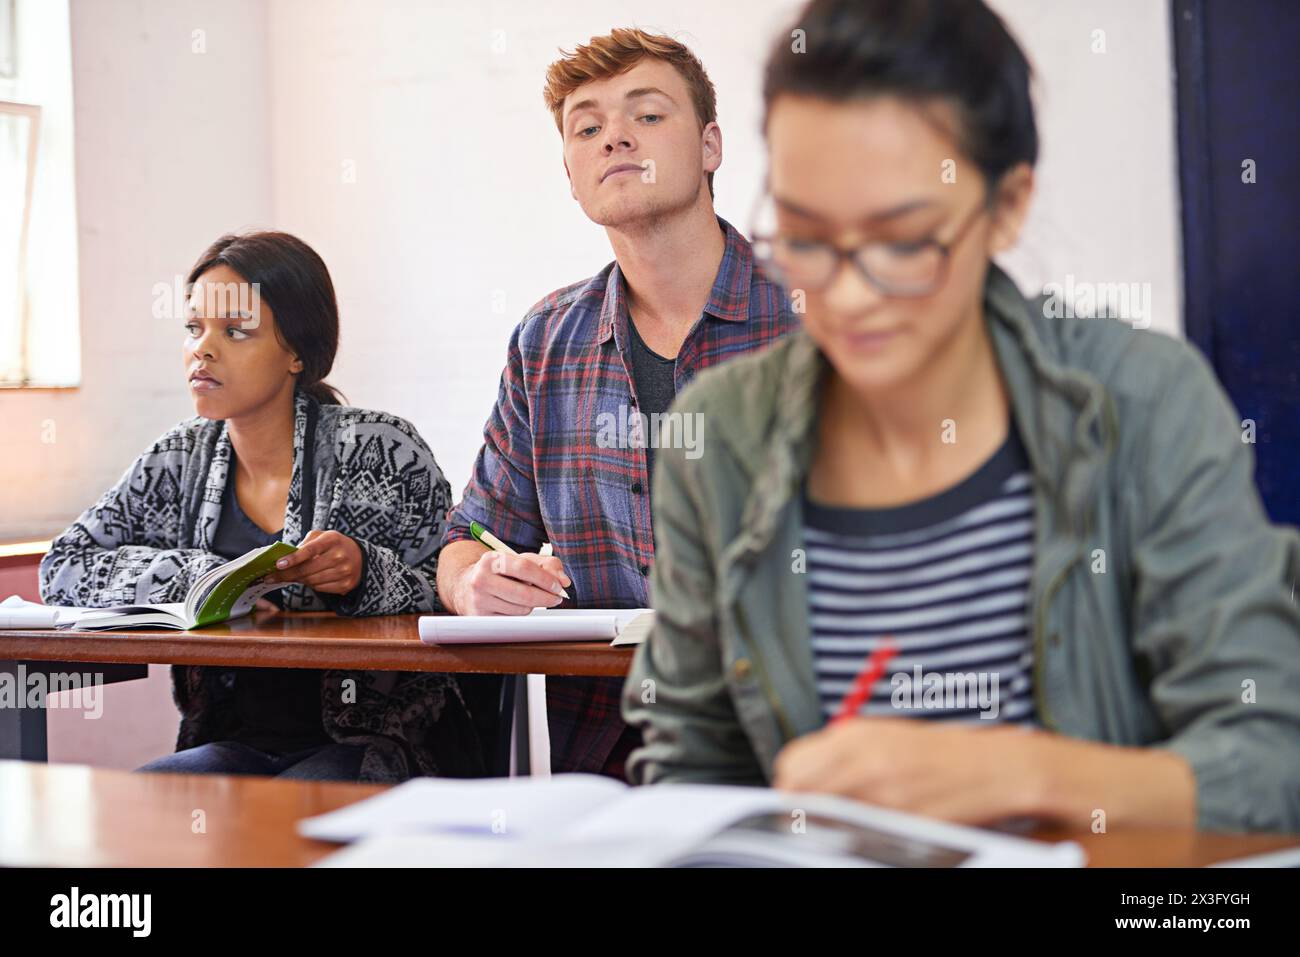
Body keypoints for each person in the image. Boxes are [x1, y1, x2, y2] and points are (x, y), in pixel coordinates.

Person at [623, 0, 1300, 832]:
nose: (846, 291)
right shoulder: (721, 441)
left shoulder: (1141, 404)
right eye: (802, 236)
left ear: (1007, 205)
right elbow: (690, 774)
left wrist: (1023, 773)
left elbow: (1272, 758)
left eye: (902, 241)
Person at [436, 28, 797, 779]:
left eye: (647, 114)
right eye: (588, 127)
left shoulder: (815, 313)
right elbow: (470, 531)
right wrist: (473, 580)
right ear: (571, 175)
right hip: (608, 756)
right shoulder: (545, 342)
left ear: (710, 146)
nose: (615, 138)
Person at [40, 231, 497, 782]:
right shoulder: (177, 460)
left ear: (297, 352)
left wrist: (364, 573)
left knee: (289, 815)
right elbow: (65, 565)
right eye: (193, 328)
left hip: (388, 742)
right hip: (234, 743)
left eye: (236, 331)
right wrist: (200, 578)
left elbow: (456, 591)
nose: (202, 349)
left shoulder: (384, 450)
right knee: (147, 803)